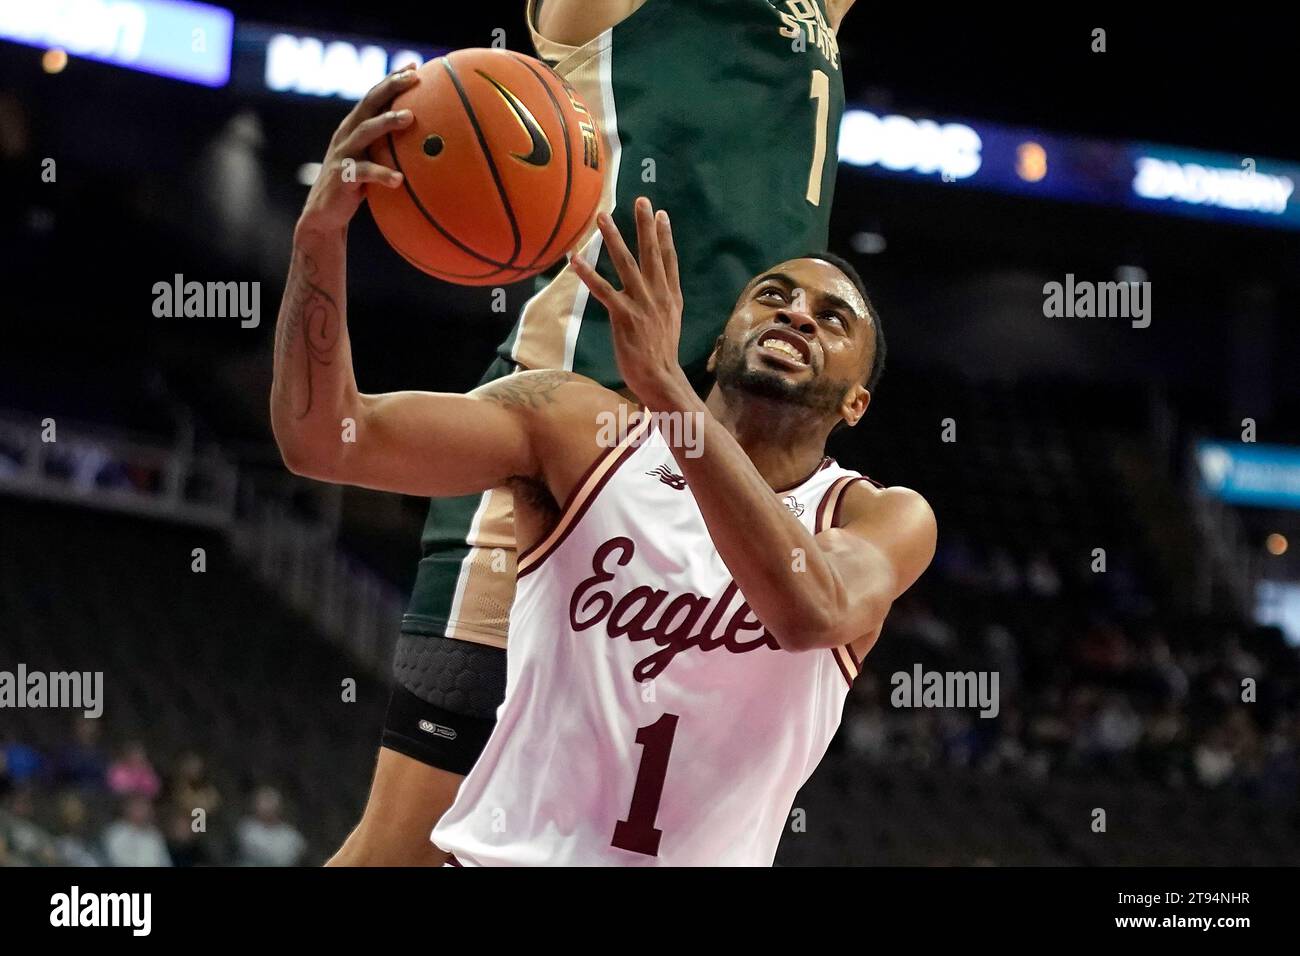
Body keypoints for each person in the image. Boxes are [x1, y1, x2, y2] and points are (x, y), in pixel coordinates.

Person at [282, 0, 859, 867]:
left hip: (719, 490)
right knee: (398, 855)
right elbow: (328, 438)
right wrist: (321, 238)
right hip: (571, 458)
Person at [273, 189, 935, 863]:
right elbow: (326, 439)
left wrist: (667, 389)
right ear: (718, 348)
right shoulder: (580, 429)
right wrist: (318, 237)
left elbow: (811, 612)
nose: (796, 314)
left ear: (857, 402)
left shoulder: (880, 515)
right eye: (773, 295)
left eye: (832, 319)